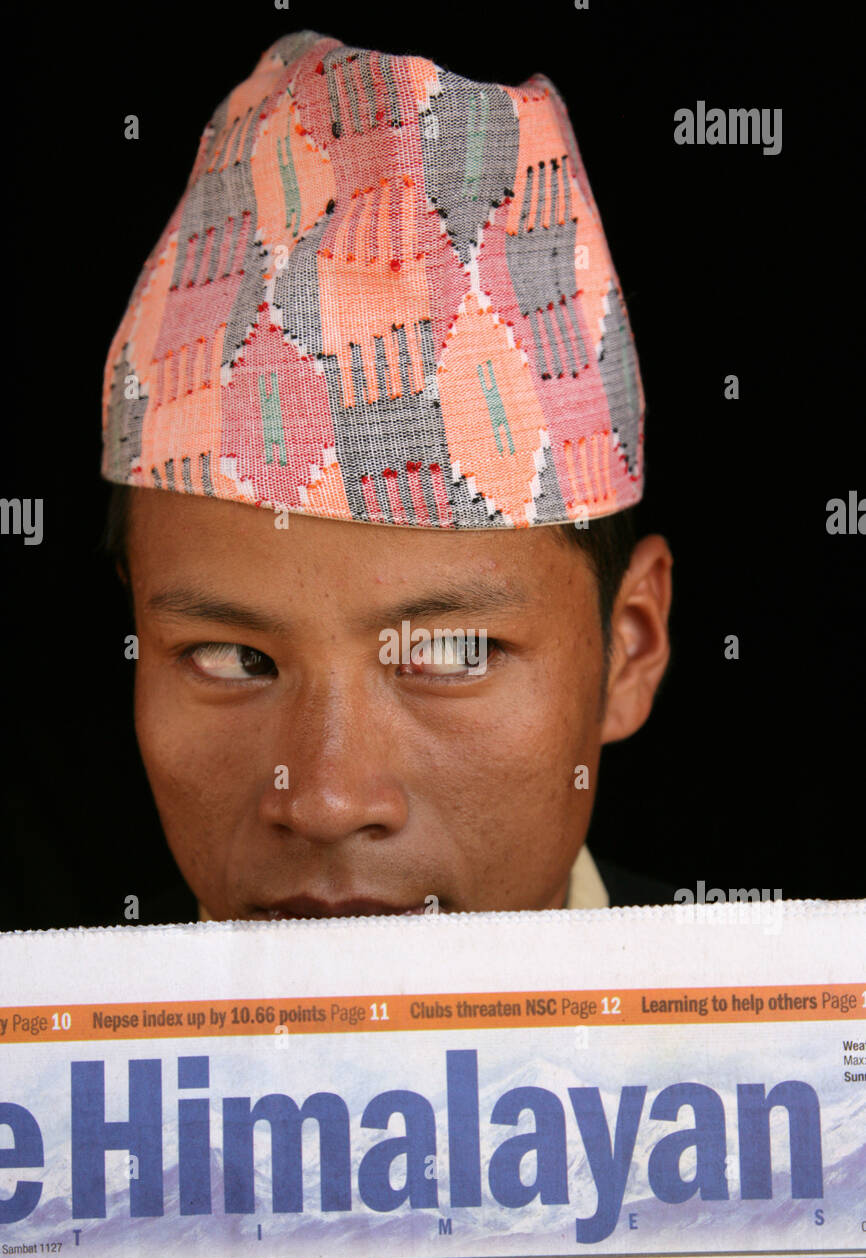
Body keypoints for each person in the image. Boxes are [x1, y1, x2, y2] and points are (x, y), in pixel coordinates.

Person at [100, 29, 674, 924]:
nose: (325, 799)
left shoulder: (800, 1043)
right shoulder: (36, 1056)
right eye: (232, 659)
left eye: (451, 653)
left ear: (629, 647)